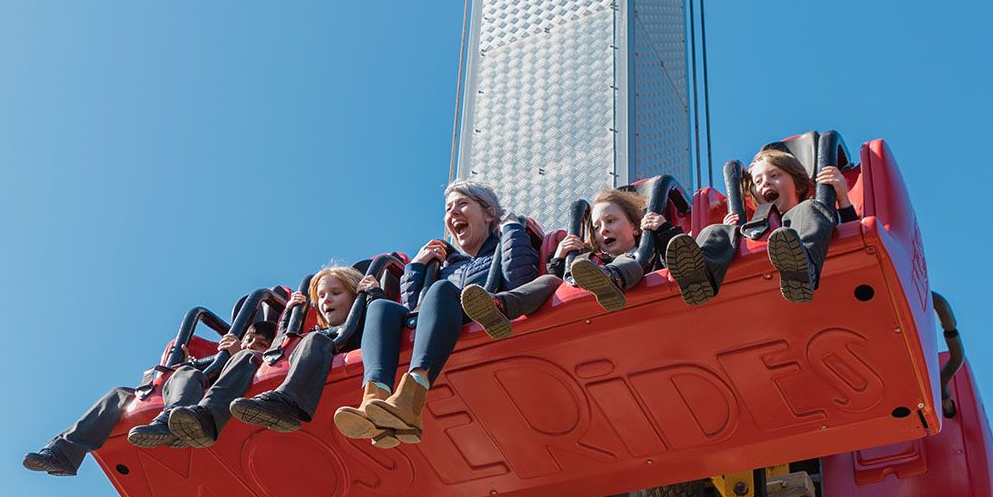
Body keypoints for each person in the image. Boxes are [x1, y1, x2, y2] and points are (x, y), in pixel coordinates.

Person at [333, 180, 537, 445]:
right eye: (448, 208)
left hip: (479, 311)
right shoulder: (447, 265)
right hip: (439, 322)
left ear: (489, 213)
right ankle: (375, 401)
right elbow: (413, 309)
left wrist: (511, 229)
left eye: (462, 204)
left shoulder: (501, 247)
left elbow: (520, 281)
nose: (453, 213)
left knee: (441, 289)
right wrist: (417, 266)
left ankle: (412, 395)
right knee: (381, 307)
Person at [21, 312, 278, 476]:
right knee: (119, 394)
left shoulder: (253, 361)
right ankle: (64, 452)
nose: (253, 345)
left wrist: (236, 355)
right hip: (185, 397)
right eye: (250, 340)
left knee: (188, 374)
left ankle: (169, 423)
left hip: (212, 405)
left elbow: (250, 368)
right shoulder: (215, 358)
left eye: (261, 344)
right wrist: (182, 362)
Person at [665, 145, 855, 306]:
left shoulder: (812, 210)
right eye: (758, 181)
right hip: (759, 248)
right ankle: (700, 277)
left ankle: (804, 268)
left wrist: (843, 200)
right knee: (714, 230)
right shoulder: (753, 225)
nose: (766, 183)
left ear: (798, 185)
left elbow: (853, 234)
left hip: (811, 258)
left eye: (775, 175)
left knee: (810, 208)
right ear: (755, 196)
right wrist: (728, 230)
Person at [227, 264, 383, 436]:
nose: (326, 300)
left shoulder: (364, 321)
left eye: (336, 293)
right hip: (318, 382)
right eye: (321, 296)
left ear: (356, 295)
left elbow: (381, 324)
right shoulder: (316, 334)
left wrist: (373, 294)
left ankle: (287, 402)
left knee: (315, 339)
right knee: (310, 338)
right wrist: (289, 314)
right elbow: (281, 348)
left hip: (360, 371)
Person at [547, 188, 670, 313]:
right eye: (596, 227)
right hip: (589, 309)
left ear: (635, 227)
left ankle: (610, 278)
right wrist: (559, 258)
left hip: (649, 305)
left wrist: (665, 230)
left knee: (626, 260)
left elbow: (673, 258)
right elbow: (558, 289)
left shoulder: (653, 256)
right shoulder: (590, 261)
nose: (603, 230)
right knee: (545, 281)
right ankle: (530, 302)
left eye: (610, 221)